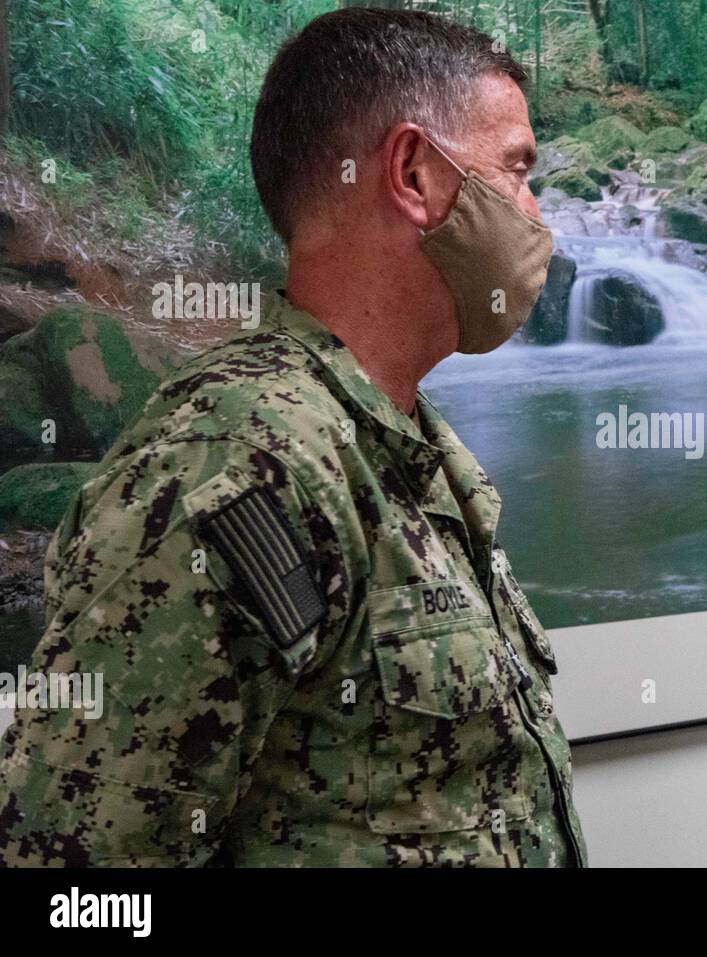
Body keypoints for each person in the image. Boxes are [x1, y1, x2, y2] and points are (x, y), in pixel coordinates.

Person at [0, 9, 585, 867]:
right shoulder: (242, 458)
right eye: (517, 170)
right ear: (416, 172)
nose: (539, 216)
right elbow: (75, 879)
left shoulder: (406, 452)